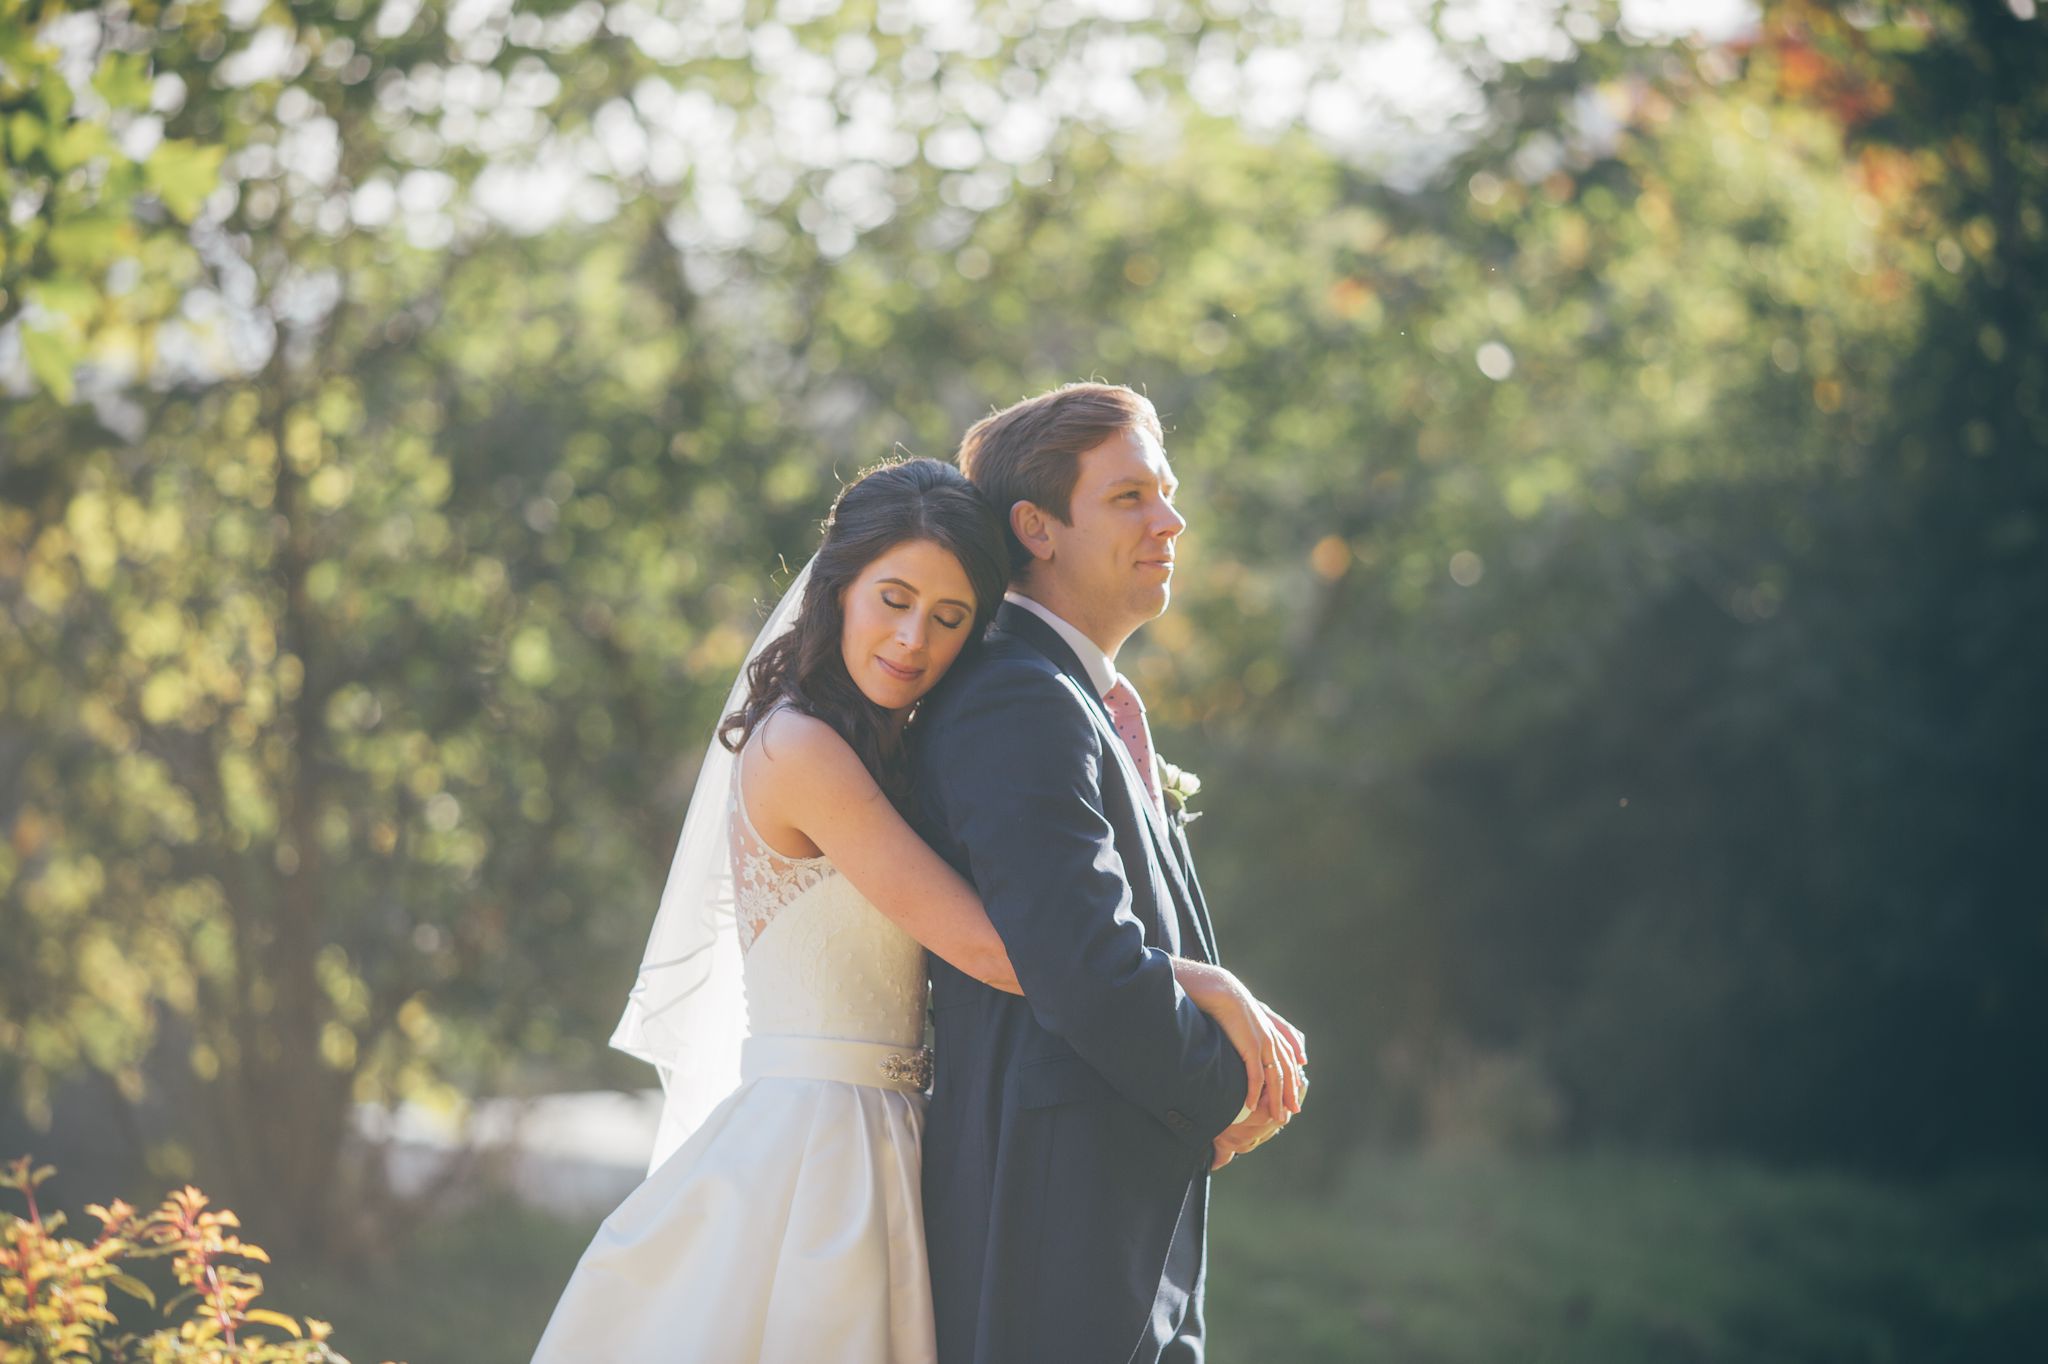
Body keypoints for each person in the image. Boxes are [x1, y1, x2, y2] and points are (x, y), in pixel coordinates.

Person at [530, 456, 1299, 1364]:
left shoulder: (899, 745)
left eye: (948, 619)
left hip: (902, 1132)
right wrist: (1198, 982)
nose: (912, 640)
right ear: (837, 589)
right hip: (817, 1146)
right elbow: (987, 945)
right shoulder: (800, 748)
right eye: (892, 600)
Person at [915, 383, 1306, 1364]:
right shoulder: (1017, 696)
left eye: (1165, 492)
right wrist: (1229, 1089)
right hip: (1059, 1232)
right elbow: (1083, 964)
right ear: (1035, 528)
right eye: (1130, 496)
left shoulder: (1077, 697)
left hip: (1118, 1212)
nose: (1169, 519)